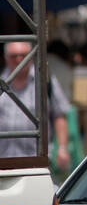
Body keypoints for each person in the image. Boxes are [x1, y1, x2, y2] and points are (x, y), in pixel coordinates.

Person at [0, 40, 70, 174]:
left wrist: (62, 148)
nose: (19, 59)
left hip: (36, 165)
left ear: (31, 56)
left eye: (23, 55)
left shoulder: (45, 82)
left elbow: (59, 115)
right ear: (6, 58)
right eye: (14, 56)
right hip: (3, 163)